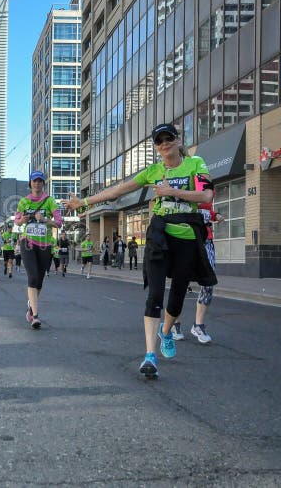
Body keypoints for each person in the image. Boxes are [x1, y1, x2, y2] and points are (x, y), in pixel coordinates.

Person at [65, 123, 215, 379]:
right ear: (156, 148)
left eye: (169, 138)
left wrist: (171, 191)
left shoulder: (195, 164)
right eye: (159, 141)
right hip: (159, 235)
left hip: (188, 235)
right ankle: (150, 356)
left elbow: (207, 197)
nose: (165, 143)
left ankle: (166, 332)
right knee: (155, 295)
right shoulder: (153, 171)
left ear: (178, 141)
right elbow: (119, 189)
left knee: (177, 297)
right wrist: (85, 202)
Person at [171, 195, 224, 344]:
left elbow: (207, 210)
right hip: (185, 238)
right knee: (181, 283)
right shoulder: (185, 180)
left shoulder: (207, 185)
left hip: (206, 240)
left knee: (208, 284)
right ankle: (174, 324)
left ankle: (198, 325)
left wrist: (215, 215)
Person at [15, 170, 62, 329]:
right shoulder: (23, 202)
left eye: (40, 181)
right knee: (33, 276)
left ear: (43, 183)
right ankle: (35, 316)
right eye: (34, 181)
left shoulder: (50, 201)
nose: (37, 184)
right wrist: (23, 219)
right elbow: (17, 222)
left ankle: (31, 307)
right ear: (30, 183)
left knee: (39, 280)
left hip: (45, 244)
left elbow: (59, 223)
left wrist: (44, 219)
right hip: (27, 242)